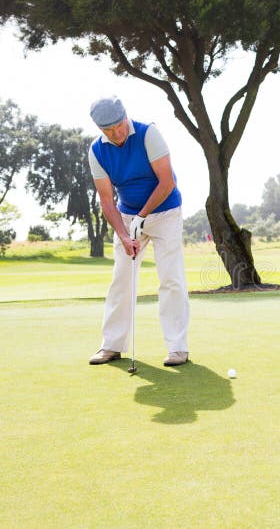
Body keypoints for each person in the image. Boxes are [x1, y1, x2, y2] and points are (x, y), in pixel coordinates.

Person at [86, 96, 190, 367]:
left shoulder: (148, 134)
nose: (117, 134)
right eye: (109, 130)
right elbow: (107, 201)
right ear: (100, 129)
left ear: (125, 117)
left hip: (165, 212)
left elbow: (167, 182)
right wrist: (123, 234)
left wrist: (142, 217)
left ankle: (178, 348)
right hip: (128, 215)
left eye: (119, 126)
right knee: (121, 279)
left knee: (170, 277)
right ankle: (111, 346)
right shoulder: (97, 151)